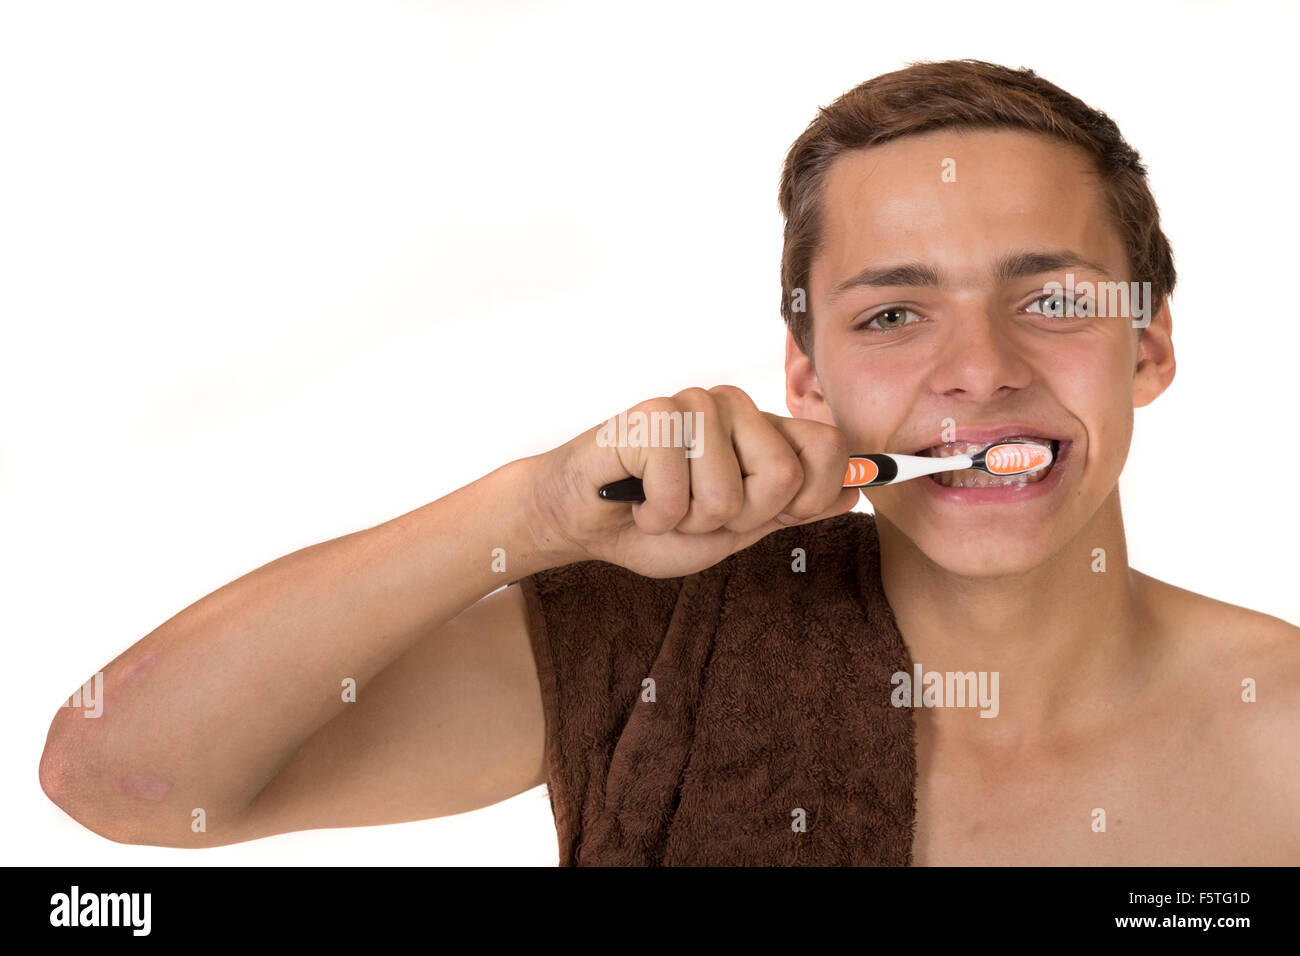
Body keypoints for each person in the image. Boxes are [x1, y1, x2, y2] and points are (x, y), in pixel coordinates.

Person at [39, 59, 1299, 865]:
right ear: (808, 380)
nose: (978, 371)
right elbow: (121, 775)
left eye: (1055, 300)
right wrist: (531, 509)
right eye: (891, 315)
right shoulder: (650, 655)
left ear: (1150, 342)